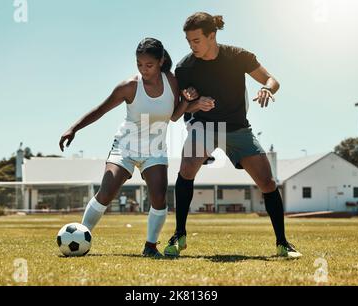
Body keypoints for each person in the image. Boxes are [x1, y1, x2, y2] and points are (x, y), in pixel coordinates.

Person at [163, 12, 302, 258]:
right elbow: (180, 110)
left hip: (238, 128)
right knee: (187, 169)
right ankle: (179, 235)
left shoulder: (239, 57)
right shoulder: (185, 67)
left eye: (196, 40)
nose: (191, 45)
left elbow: (272, 80)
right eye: (188, 41)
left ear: (212, 36)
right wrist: (196, 104)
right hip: (203, 126)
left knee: (267, 183)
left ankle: (282, 243)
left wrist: (266, 89)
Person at [59, 38, 191, 258]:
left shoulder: (172, 82)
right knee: (107, 191)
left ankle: (150, 246)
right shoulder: (129, 86)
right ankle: (82, 236)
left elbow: (175, 116)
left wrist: (188, 102)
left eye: (148, 65)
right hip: (125, 148)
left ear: (161, 61)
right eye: (139, 64)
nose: (143, 69)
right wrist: (74, 128)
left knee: (159, 197)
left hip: (155, 150)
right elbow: (101, 109)